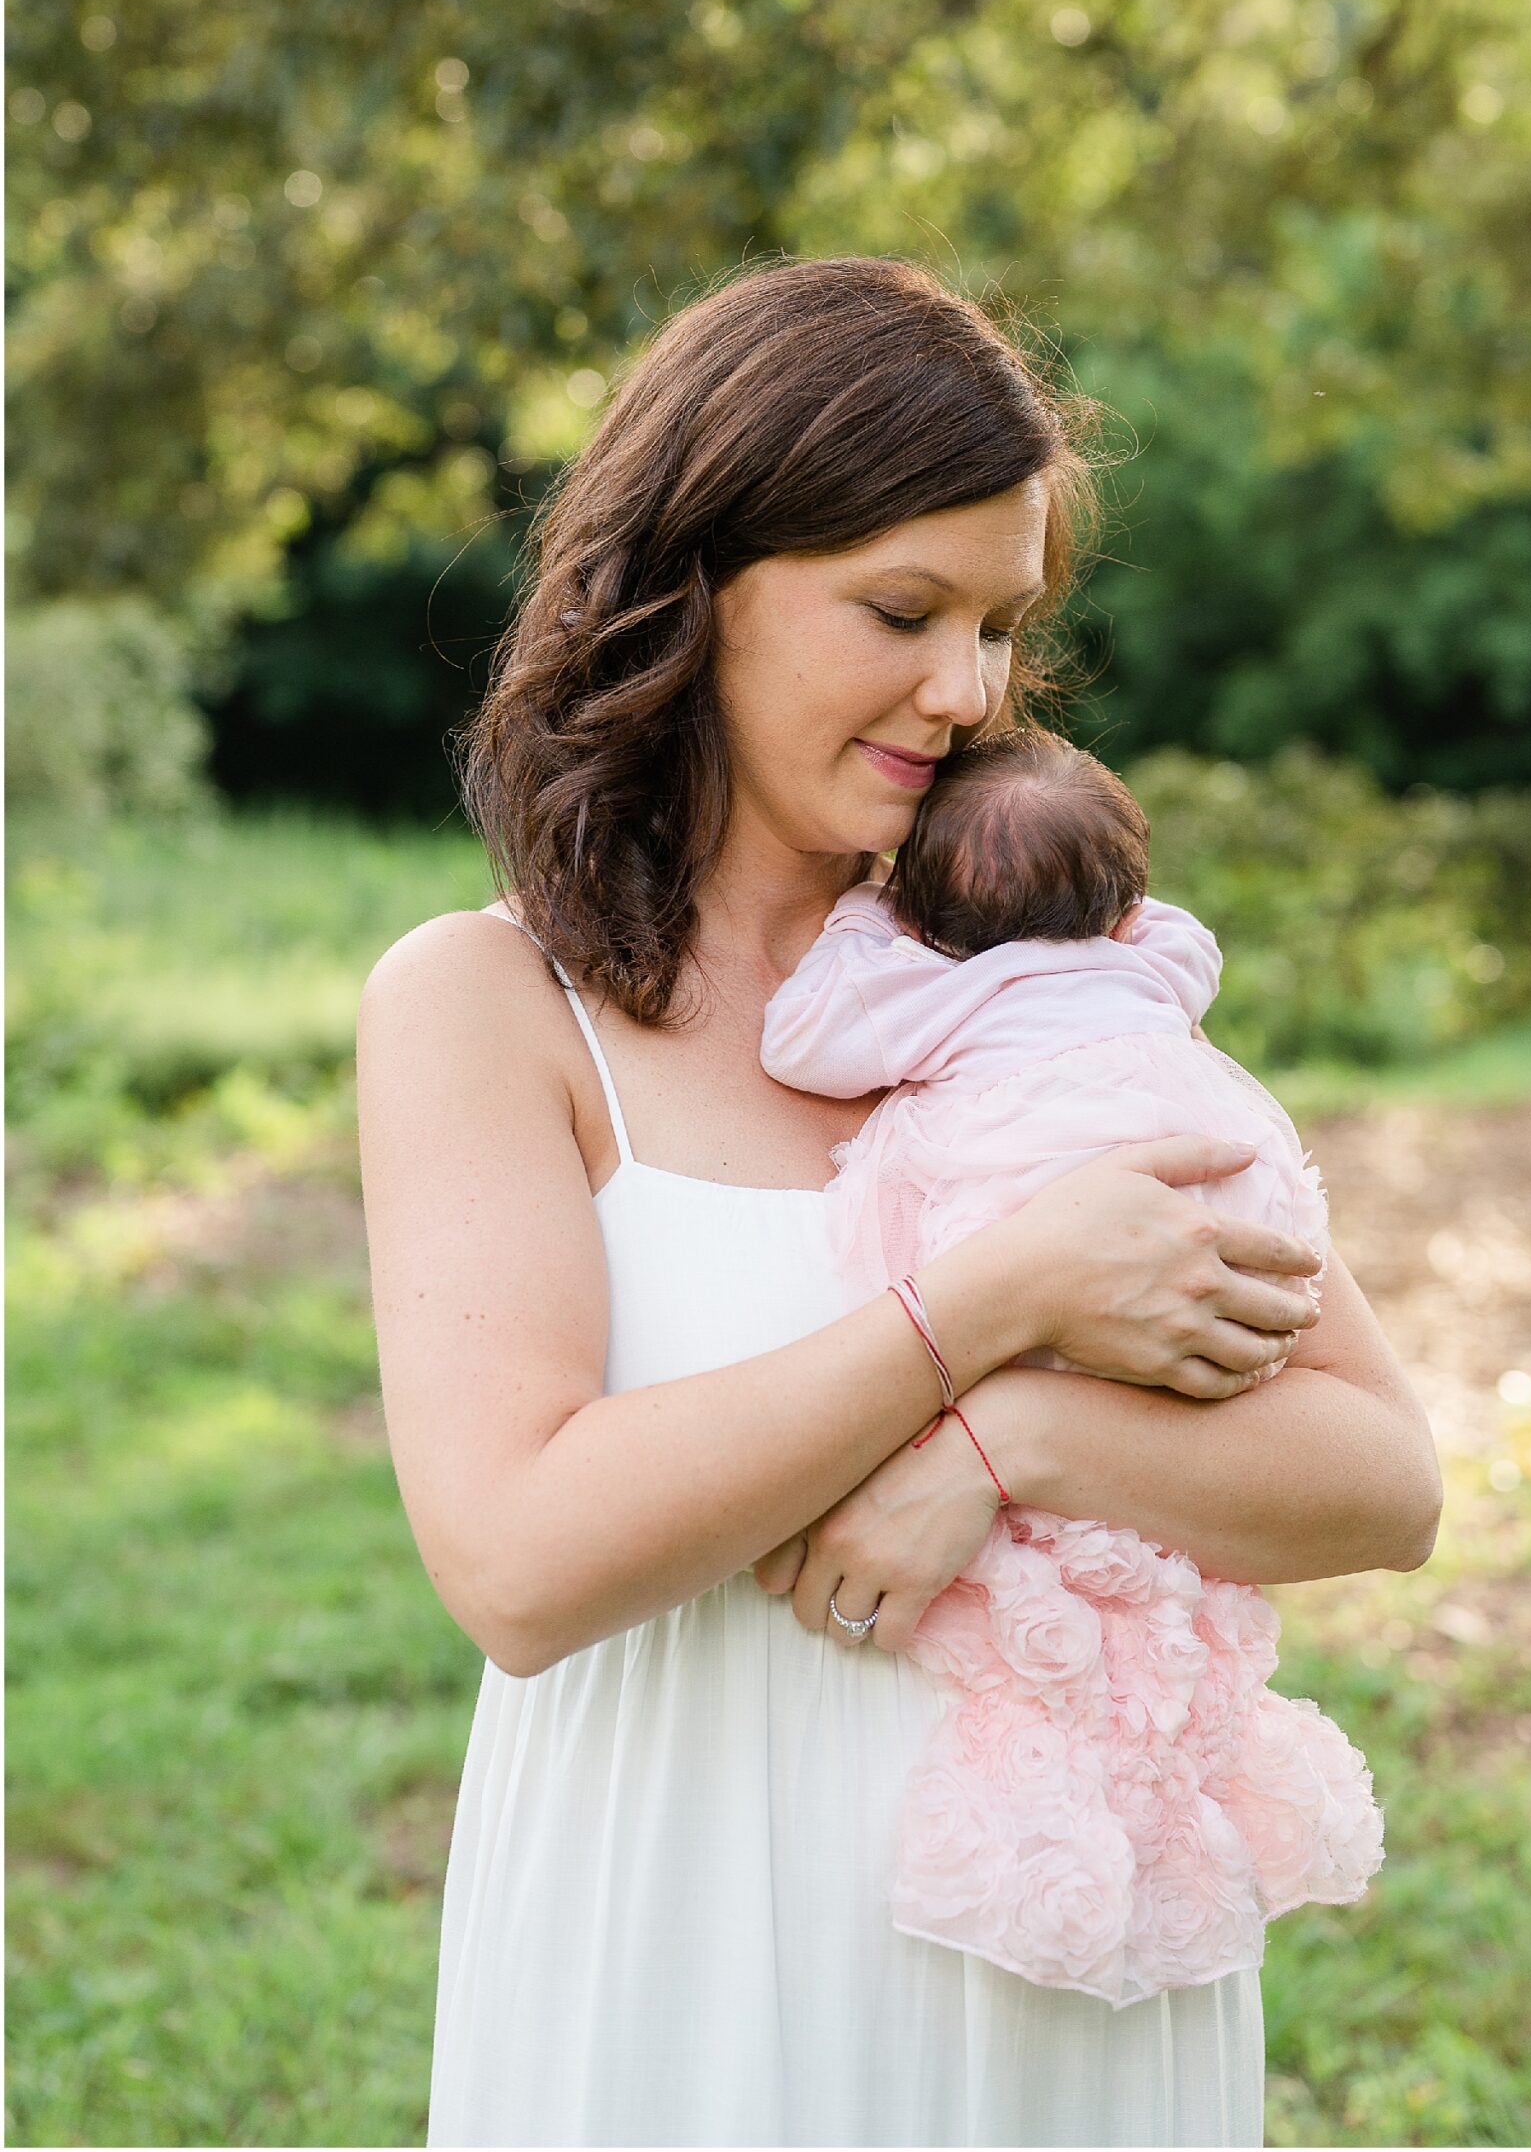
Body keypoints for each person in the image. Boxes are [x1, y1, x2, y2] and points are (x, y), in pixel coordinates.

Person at [356, 254, 1442, 2149]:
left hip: (1065, 1977)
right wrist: (978, 1314)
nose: (968, 690)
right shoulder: (489, 1009)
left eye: (1003, 625)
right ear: (693, 584)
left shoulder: (1048, 993)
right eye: (900, 610)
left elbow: (1380, 1482)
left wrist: (1011, 1439)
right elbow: (519, 1566)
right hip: (684, 1966)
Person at [753, 727, 1381, 2012]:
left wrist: (874, 924)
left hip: (1024, 1232)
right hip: (1210, 1182)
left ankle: (1040, 1825)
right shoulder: (1156, 971)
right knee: (1152, 1617)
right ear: (1127, 905)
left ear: (924, 916)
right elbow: (1186, 947)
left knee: (1037, 1629)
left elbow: (804, 1040)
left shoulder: (928, 987)